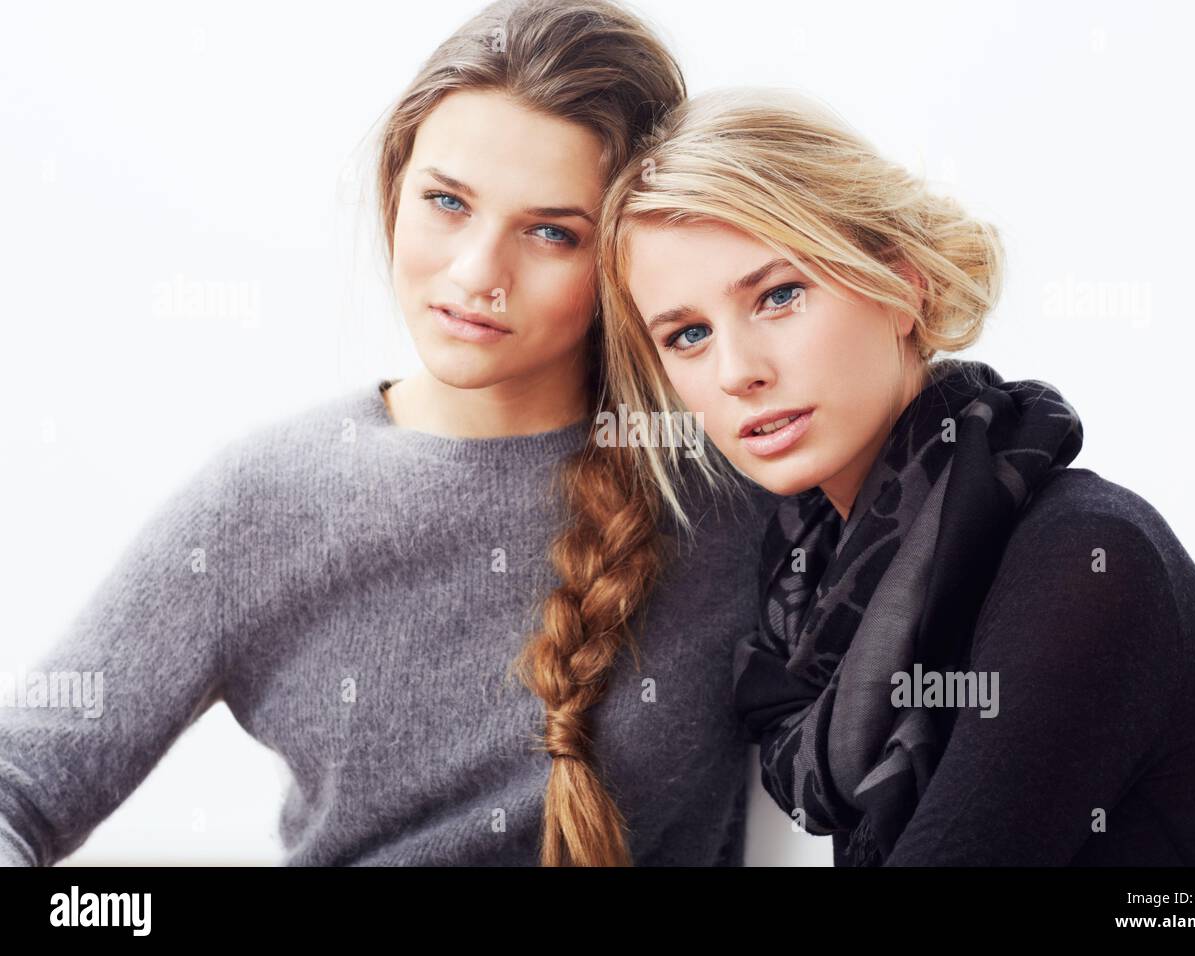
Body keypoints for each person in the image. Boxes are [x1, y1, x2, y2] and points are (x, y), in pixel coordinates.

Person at [0, 0, 776, 868]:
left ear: (627, 255)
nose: (478, 273)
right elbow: (18, 787)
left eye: (552, 232)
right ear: (394, 189)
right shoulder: (262, 501)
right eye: (447, 202)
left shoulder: (735, 480)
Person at [593, 87, 1195, 865]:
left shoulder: (1089, 561)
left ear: (904, 286)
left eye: (780, 295)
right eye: (687, 335)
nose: (737, 371)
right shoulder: (810, 606)